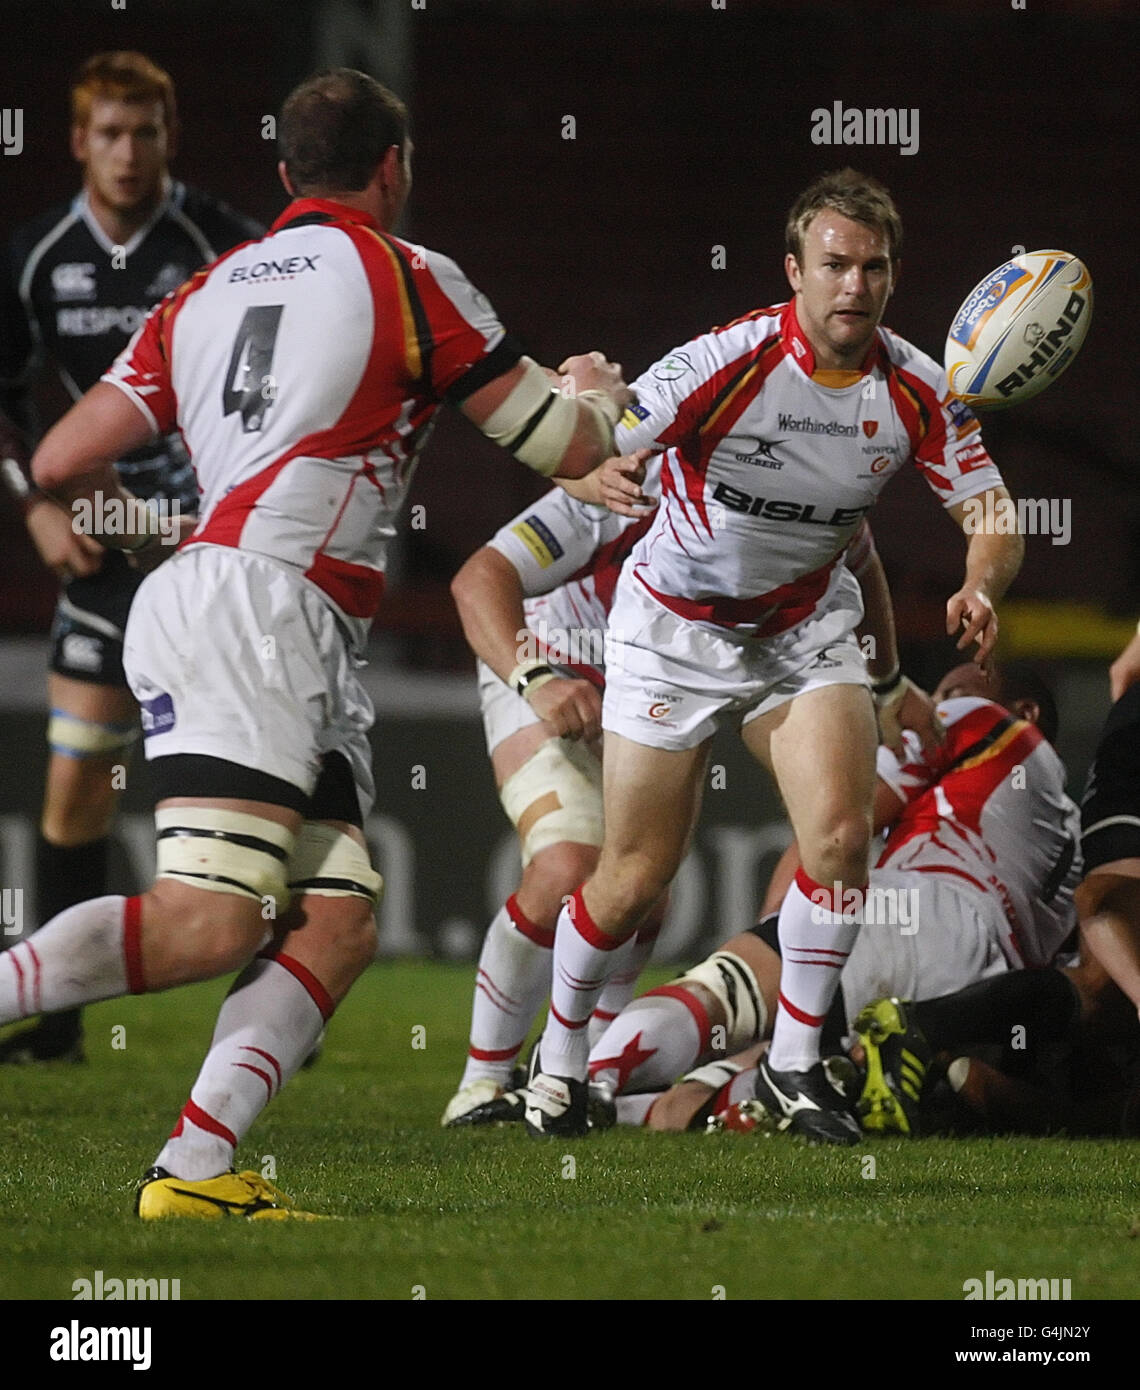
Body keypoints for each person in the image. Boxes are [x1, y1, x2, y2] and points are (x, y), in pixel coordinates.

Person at [0, 67, 631, 1219]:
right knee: (212, 918)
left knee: (333, 922)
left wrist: (166, 528)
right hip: (265, 611)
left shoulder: (202, 289)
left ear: (287, 175)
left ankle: (194, 1170)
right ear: (394, 170)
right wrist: (600, 394)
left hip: (244, 603)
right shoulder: (406, 275)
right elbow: (553, 438)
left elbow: (56, 458)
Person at [524, 167, 1025, 1144]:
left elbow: (992, 510)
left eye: (873, 267)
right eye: (835, 264)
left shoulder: (916, 387)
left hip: (803, 629)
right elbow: (582, 437)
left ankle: (794, 1067)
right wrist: (583, 457)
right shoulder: (727, 361)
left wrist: (982, 584)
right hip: (675, 629)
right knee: (631, 876)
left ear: (891, 276)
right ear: (794, 270)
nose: (855, 285)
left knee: (840, 834)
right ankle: (556, 1058)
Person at [447, 511, 938, 1128]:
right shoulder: (620, 480)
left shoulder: (803, 465)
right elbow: (479, 579)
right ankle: (486, 1082)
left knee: (642, 893)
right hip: (558, 667)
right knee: (569, 867)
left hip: (681, 669)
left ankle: (591, 1078)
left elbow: (860, 557)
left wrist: (887, 681)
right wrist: (534, 675)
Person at [0, 52, 261, 1063]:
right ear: (77, 141)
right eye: (109, 131)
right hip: (107, 547)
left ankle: (281, 980)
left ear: (170, 136)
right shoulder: (34, 259)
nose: (127, 150)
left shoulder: (222, 245)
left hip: (209, 545)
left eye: (145, 131)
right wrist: (36, 511)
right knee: (76, 788)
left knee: (250, 774)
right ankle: (58, 1023)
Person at [584, 661, 1083, 1135]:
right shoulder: (1072, 835)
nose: (935, 702)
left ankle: (578, 1080)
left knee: (724, 993)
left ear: (1026, 711)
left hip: (913, 916)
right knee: (700, 1099)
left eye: (951, 692)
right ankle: (659, 1107)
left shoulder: (979, 720)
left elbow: (835, 827)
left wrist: (777, 938)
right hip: (972, 1002)